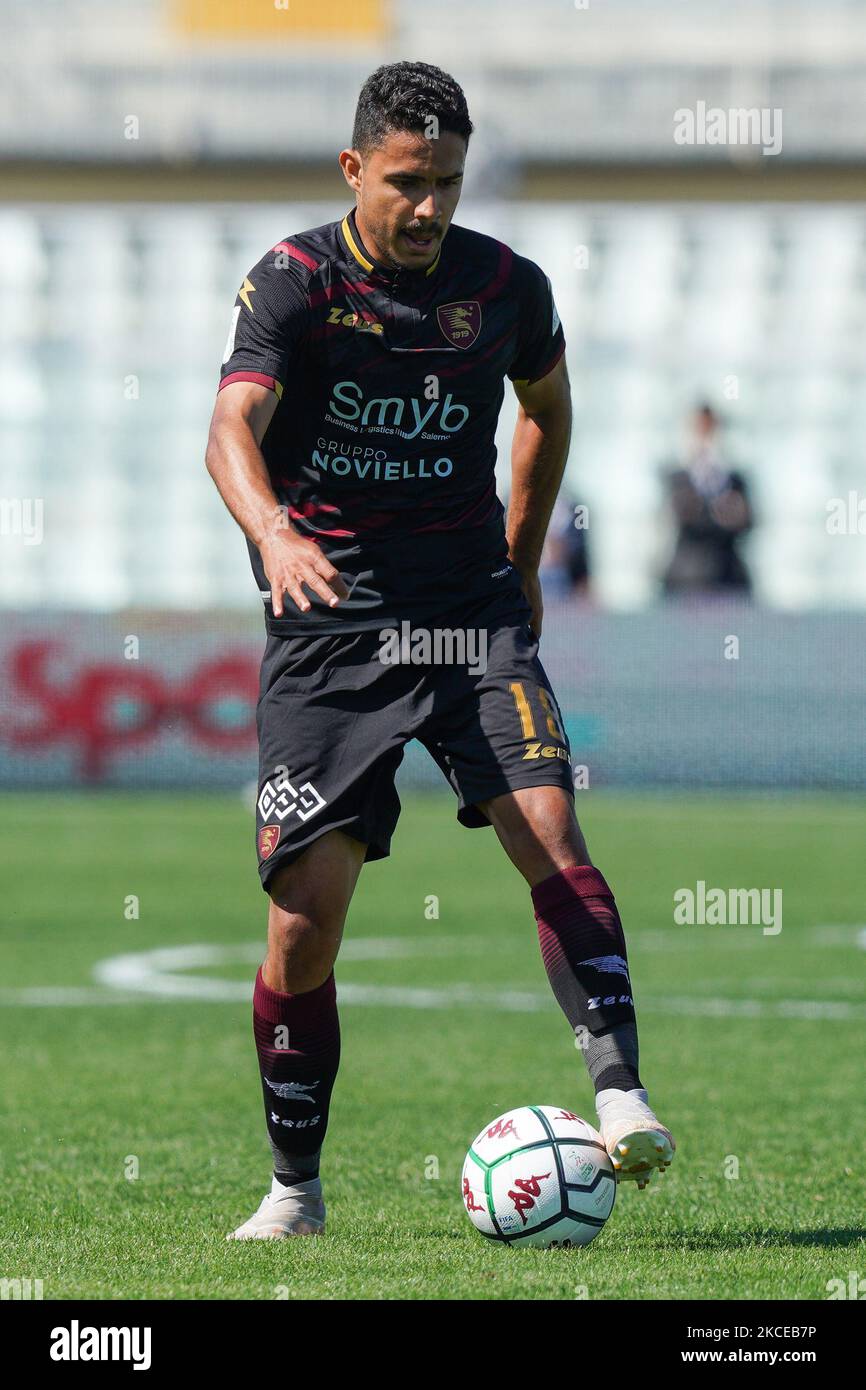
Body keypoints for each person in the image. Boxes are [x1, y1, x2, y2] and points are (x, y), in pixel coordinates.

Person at [205, 61, 674, 1240]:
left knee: (551, 828)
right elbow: (228, 428)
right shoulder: (294, 281)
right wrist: (271, 529)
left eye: (448, 185)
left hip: (469, 612)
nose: (428, 209)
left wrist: (517, 563)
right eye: (407, 183)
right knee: (303, 919)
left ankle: (617, 1093)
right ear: (354, 167)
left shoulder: (506, 287)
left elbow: (548, 408)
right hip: (330, 627)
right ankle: (294, 1189)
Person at [662, 403, 753, 594]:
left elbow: (747, 523)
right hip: (685, 580)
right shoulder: (677, 478)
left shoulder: (735, 479)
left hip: (728, 578)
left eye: (710, 428)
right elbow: (682, 520)